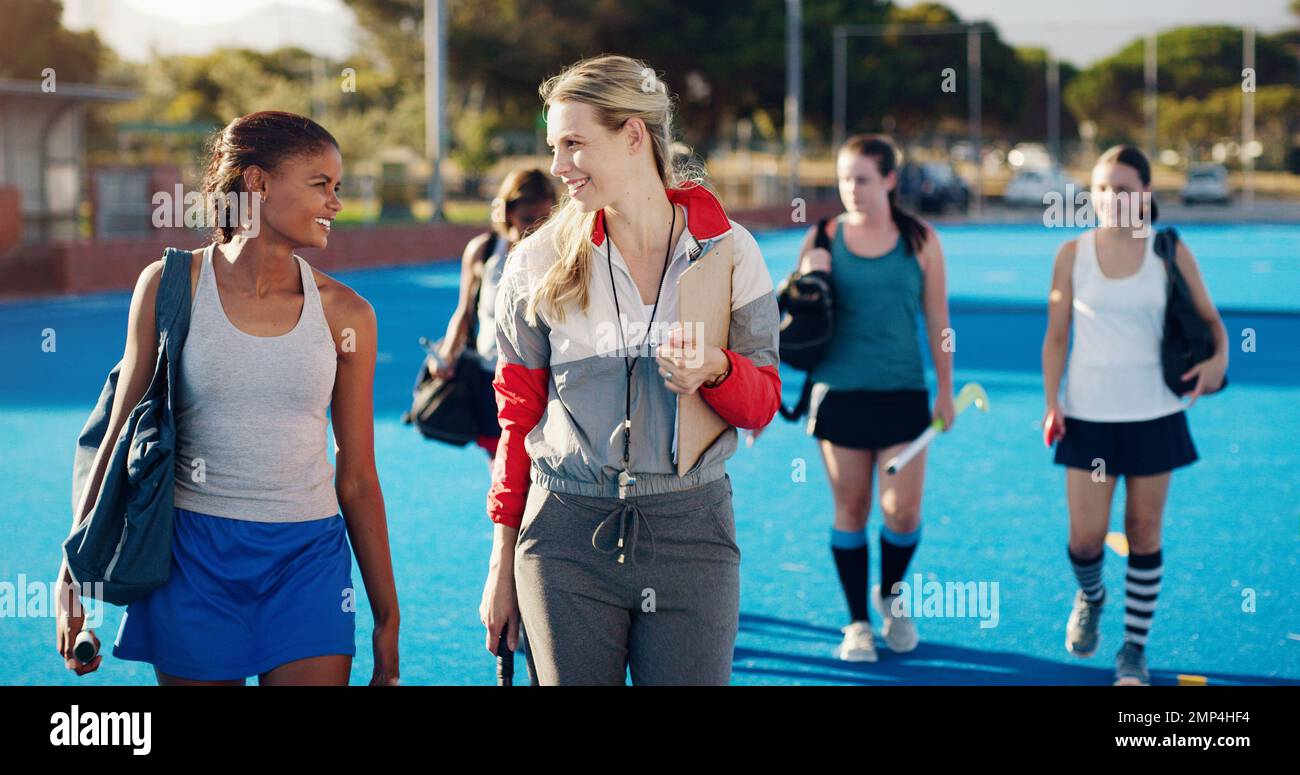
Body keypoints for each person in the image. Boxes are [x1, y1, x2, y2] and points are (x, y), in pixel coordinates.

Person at [56, 111, 401, 686]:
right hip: (192, 558)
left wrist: (386, 621)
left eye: (337, 187)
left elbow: (359, 477)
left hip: (308, 560)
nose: (335, 203)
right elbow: (116, 439)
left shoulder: (349, 315)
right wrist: (74, 573)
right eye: (321, 185)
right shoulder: (170, 285)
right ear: (258, 183)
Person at [477, 54, 782, 685]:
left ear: (634, 135)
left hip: (692, 530)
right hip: (563, 536)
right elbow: (517, 422)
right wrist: (500, 563)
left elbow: (761, 406)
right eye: (553, 146)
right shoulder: (535, 264)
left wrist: (718, 369)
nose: (558, 166)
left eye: (574, 144)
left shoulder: (731, 254)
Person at [1042, 145, 1227, 686]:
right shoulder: (1072, 252)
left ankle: (1134, 650)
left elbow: (1214, 324)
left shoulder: (1168, 248)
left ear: (1145, 193)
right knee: (1085, 540)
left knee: (1144, 533)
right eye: (1101, 189)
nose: (1110, 199)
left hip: (1155, 415)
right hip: (1087, 418)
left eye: (1122, 189)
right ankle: (1092, 595)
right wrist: (1052, 401)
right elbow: (1056, 338)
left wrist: (1218, 362)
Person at [788, 135, 955, 662]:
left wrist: (946, 389)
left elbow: (938, 321)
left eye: (862, 178)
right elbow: (795, 320)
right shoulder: (823, 235)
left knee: (901, 512)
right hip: (838, 394)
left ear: (888, 180)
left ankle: (893, 596)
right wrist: (809, 277)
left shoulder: (922, 240)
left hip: (904, 393)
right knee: (852, 508)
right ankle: (858, 621)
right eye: (843, 179)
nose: (851, 189)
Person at [433, 169, 556, 461]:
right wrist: (447, 354)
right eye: (527, 220)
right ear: (508, 211)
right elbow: (464, 310)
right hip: (493, 375)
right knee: (501, 463)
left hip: (546, 376)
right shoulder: (484, 251)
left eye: (544, 221)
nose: (534, 230)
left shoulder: (559, 251)